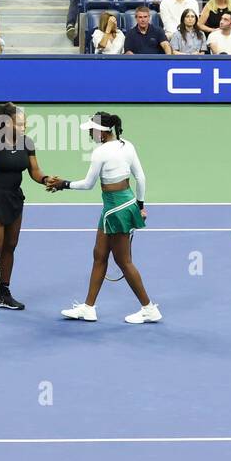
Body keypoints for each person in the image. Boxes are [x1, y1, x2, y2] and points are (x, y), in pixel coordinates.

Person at [50, 112, 159, 325]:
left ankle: (149, 309)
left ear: (103, 131)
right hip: (119, 206)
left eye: (92, 129)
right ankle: (88, 308)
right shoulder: (127, 145)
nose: (90, 133)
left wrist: (64, 184)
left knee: (123, 261)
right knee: (100, 255)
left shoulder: (100, 152)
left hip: (116, 209)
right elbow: (141, 178)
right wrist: (140, 205)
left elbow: (88, 184)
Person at [0, 104, 58, 314]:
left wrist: (46, 179)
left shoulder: (26, 143)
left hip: (13, 198)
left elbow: (35, 171)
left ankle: (3, 292)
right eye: (20, 122)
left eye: (24, 122)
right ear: (7, 122)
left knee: (10, 246)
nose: (24, 125)